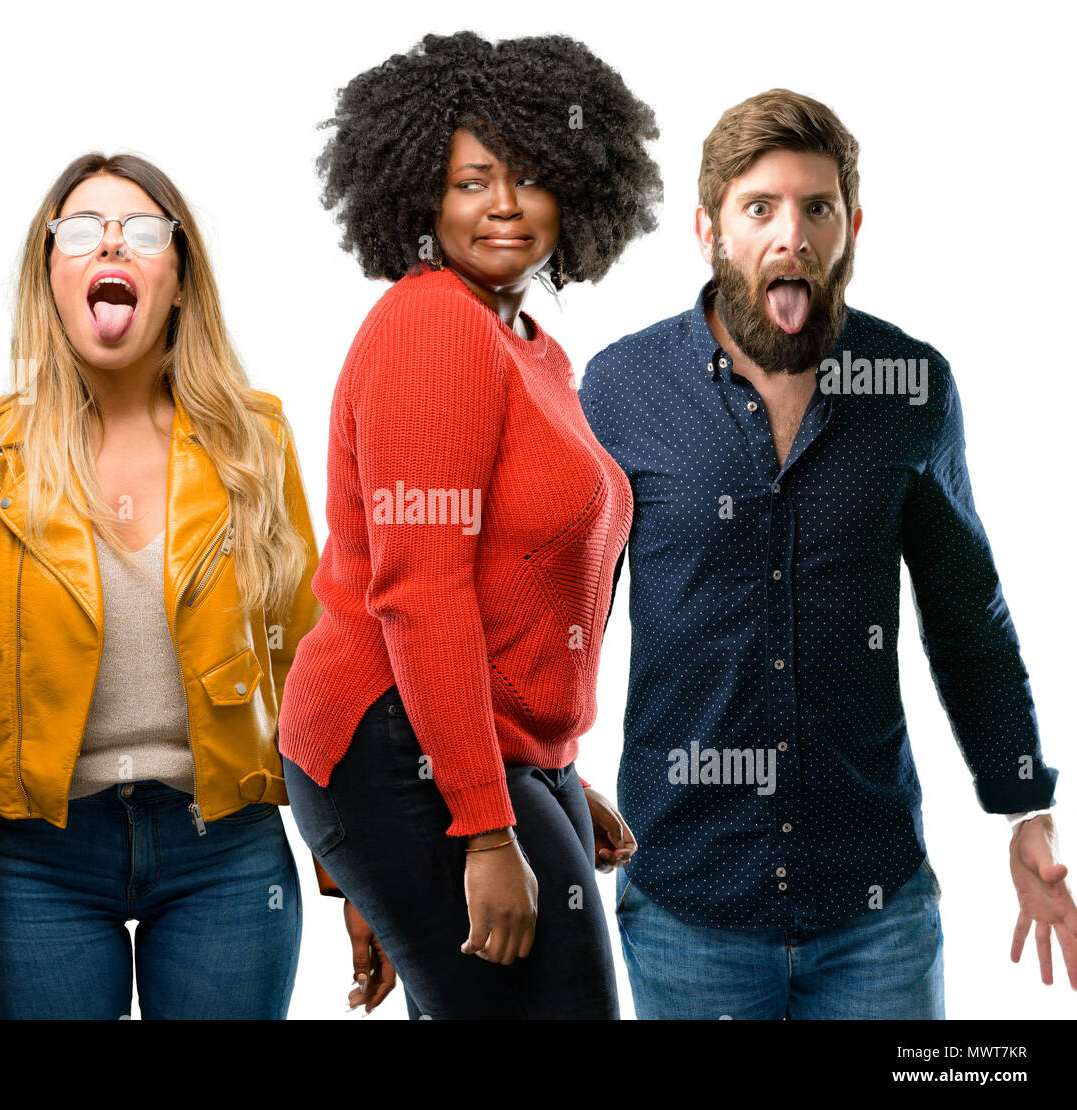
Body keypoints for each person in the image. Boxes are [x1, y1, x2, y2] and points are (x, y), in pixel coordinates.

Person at [581, 88, 1072, 1019]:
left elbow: (968, 615)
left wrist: (1024, 809)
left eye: (816, 208)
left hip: (874, 913)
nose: (790, 236)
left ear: (852, 226)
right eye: (758, 208)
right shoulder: (621, 386)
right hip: (690, 905)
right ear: (707, 229)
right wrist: (528, 795)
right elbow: (568, 615)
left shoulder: (910, 386)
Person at [278, 30, 662, 1019]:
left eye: (530, 178)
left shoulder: (530, 346)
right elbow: (420, 590)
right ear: (417, 196)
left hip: (476, 745)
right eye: (469, 182)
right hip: (393, 740)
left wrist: (552, 771)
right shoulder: (435, 323)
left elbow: (519, 588)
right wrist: (488, 828)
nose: (502, 205)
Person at [0, 152, 321, 1019]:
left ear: (180, 279)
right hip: (37, 860)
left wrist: (353, 876)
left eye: (143, 231)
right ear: (50, 275)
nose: (110, 245)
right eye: (81, 231)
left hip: (226, 852)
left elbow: (312, 667)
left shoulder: (254, 440)